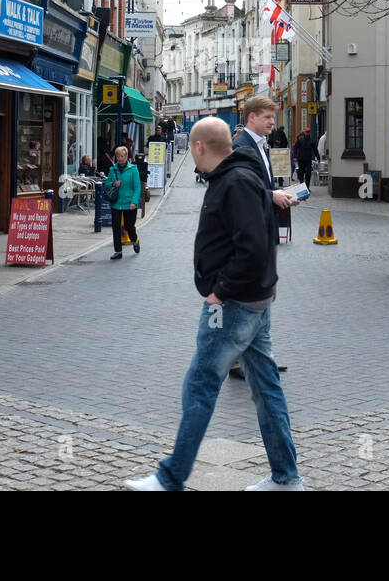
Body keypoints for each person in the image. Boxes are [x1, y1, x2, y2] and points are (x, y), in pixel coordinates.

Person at [124, 117, 302, 491]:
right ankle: (286, 478)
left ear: (199, 147)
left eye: (192, 149)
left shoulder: (235, 181)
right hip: (254, 300)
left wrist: (220, 291)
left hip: (233, 305)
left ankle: (170, 479)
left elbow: (253, 247)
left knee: (201, 385)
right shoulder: (241, 175)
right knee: (266, 387)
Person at [229, 96, 298, 379]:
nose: (272, 122)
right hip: (252, 235)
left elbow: (260, 186)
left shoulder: (260, 144)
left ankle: (260, 357)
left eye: (273, 117)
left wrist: (282, 195)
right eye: (267, 117)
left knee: (264, 294)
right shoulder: (241, 147)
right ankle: (237, 361)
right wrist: (272, 196)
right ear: (252, 117)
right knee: (250, 297)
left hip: (265, 230)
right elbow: (239, 189)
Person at [105, 146, 141, 260]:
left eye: (122, 156)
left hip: (129, 203)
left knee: (129, 226)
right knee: (116, 227)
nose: (120, 158)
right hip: (116, 203)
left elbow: (137, 188)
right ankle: (118, 251)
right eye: (117, 156)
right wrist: (113, 184)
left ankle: (134, 240)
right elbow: (106, 184)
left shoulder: (133, 169)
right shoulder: (113, 169)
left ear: (126, 156)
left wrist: (134, 202)